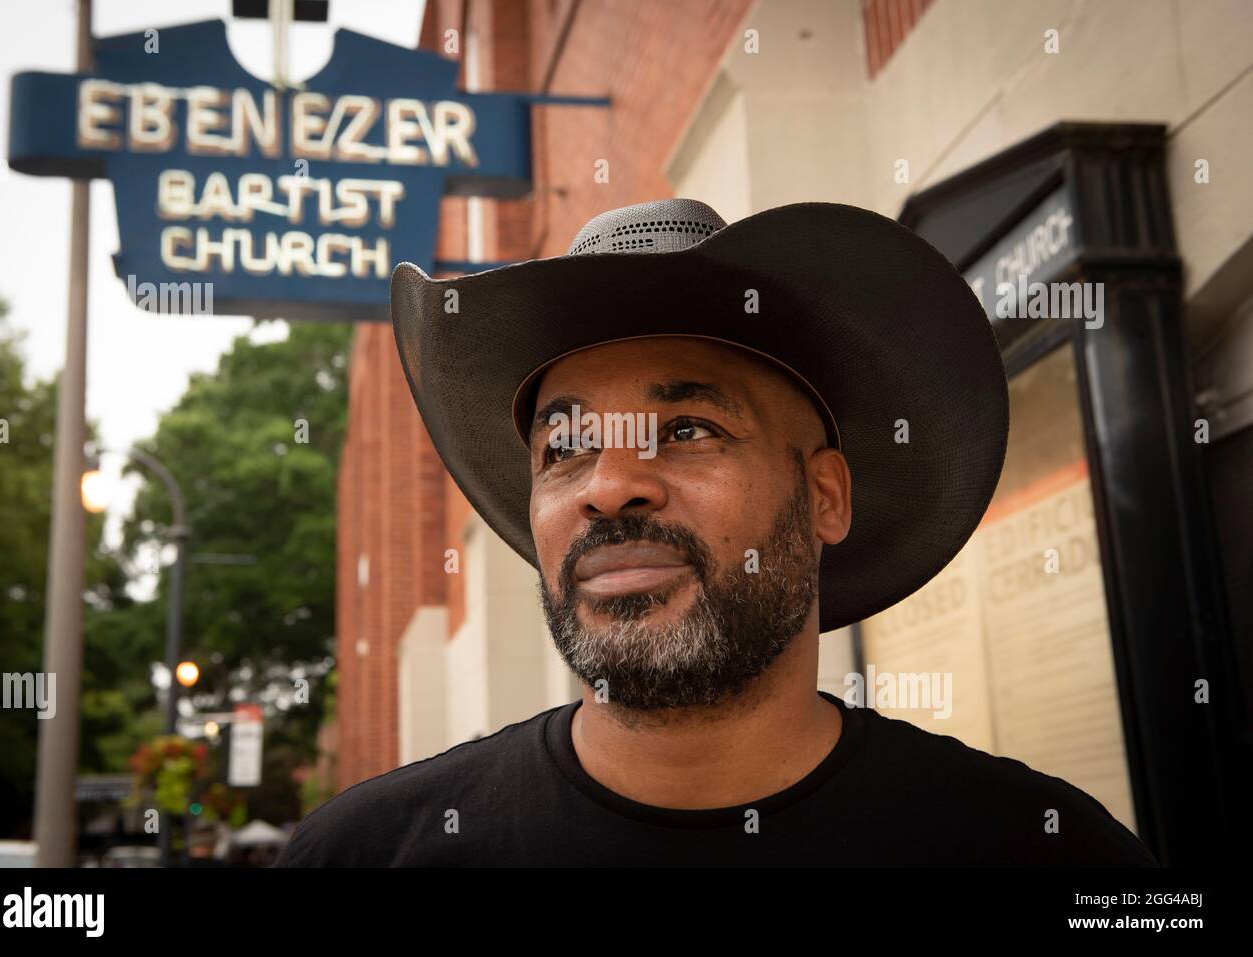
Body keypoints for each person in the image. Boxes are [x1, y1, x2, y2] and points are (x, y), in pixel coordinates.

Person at [275, 198, 1157, 866]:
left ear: (825, 495)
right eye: (564, 448)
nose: (610, 487)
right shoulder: (363, 854)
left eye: (689, 428)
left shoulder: (1053, 854)